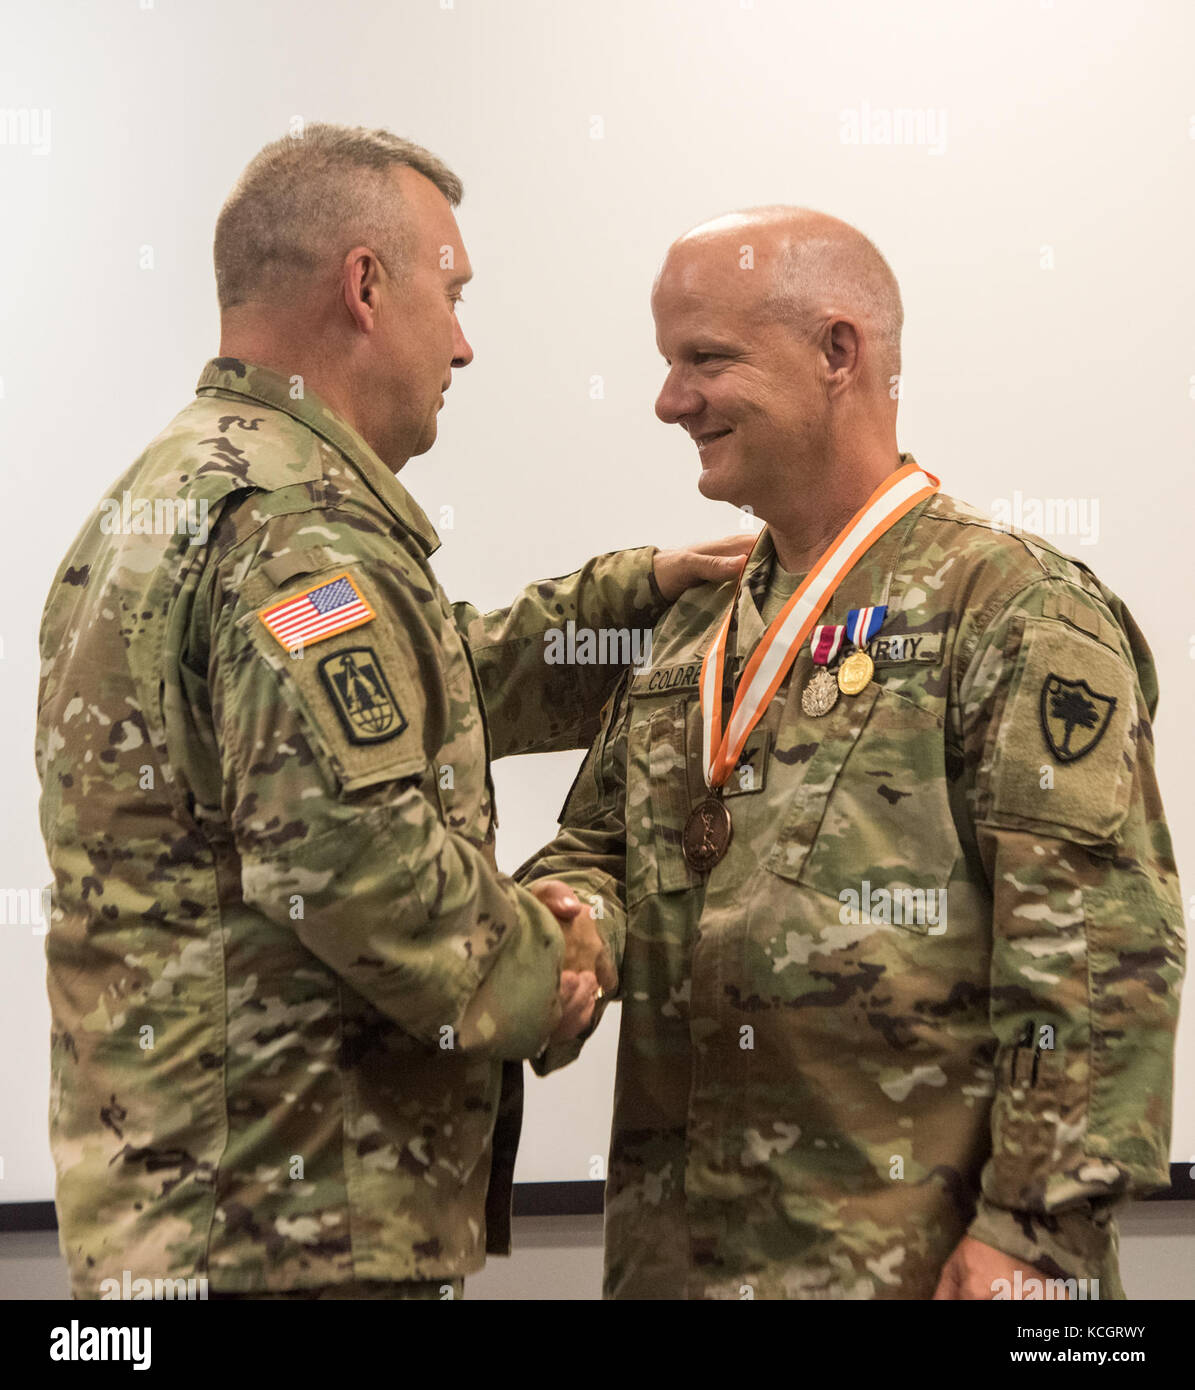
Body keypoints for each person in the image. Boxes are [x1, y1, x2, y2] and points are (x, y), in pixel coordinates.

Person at [34, 124, 745, 1300]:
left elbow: (412, 687)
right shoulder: (294, 533)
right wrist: (559, 960)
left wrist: (630, 603)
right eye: (451, 290)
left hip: (184, 1214)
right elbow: (359, 859)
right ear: (364, 287)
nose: (464, 345)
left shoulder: (174, 494)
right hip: (292, 1228)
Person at [520, 206, 1185, 1300]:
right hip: (676, 1265)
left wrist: (1032, 1237)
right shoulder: (697, 625)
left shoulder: (1011, 611)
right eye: (665, 364)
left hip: (918, 1271)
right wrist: (573, 917)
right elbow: (600, 842)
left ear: (837, 352)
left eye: (705, 360)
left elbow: (1097, 959)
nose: (668, 400)